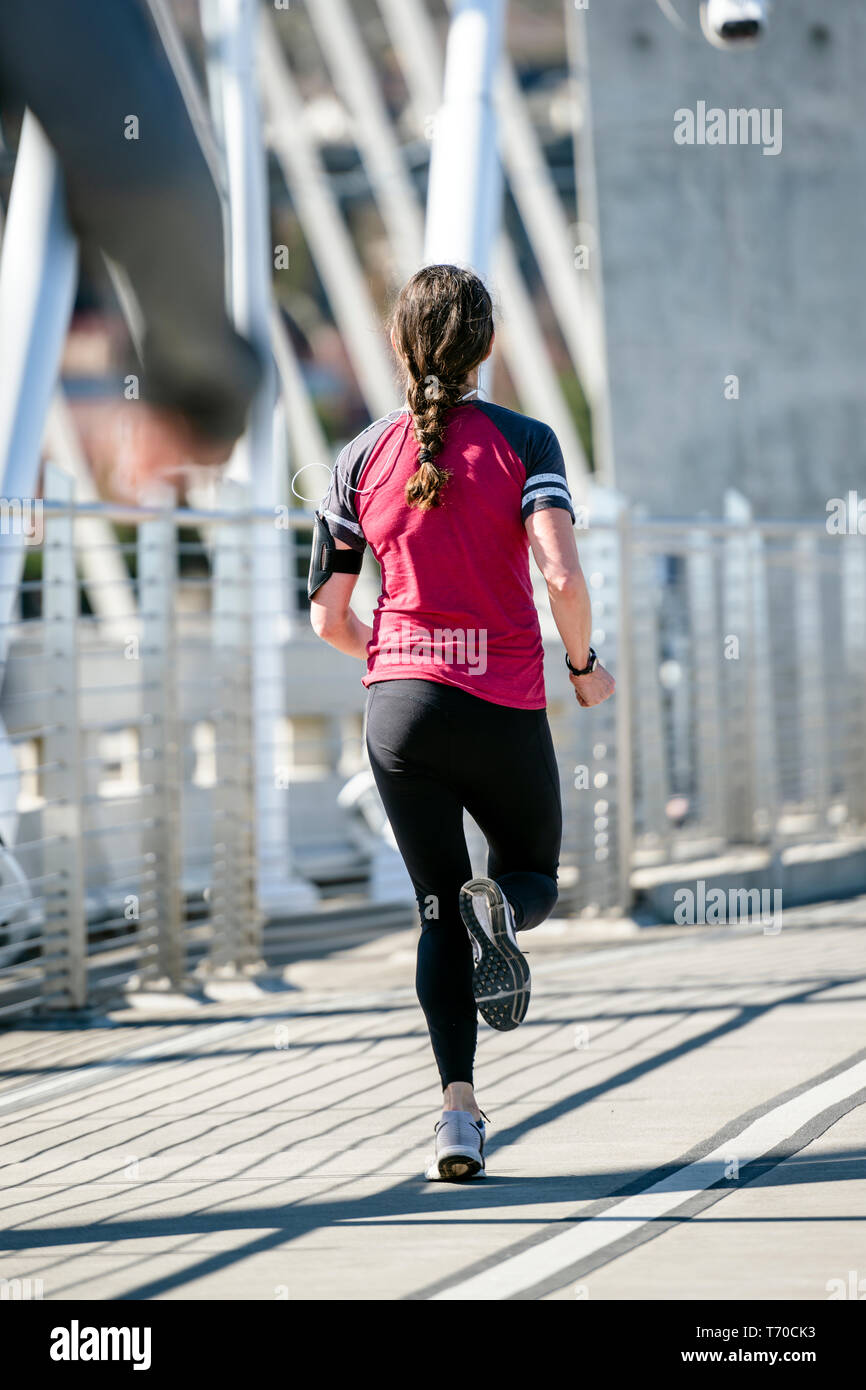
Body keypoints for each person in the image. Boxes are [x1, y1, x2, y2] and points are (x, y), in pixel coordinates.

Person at [309, 265, 615, 1181]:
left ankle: (457, 1118)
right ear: (488, 347)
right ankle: (508, 915)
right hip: (503, 701)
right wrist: (583, 667)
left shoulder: (359, 458)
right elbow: (559, 575)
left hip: (400, 709)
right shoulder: (528, 441)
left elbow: (327, 615)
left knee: (434, 909)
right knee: (531, 873)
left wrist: (392, 663)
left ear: (400, 348)